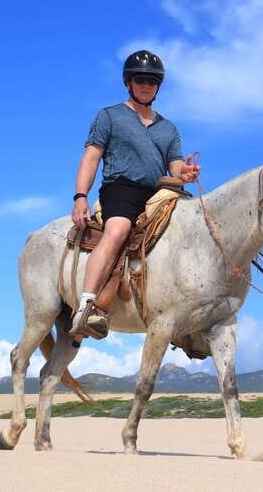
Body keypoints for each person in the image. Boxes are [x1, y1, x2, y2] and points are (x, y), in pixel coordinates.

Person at [69, 50, 201, 341]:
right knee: (118, 230)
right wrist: (81, 196)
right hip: (122, 187)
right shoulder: (110, 116)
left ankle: (190, 317)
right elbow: (91, 157)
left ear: (158, 86)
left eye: (152, 81)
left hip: (160, 193)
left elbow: (175, 165)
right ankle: (87, 306)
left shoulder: (169, 128)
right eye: (140, 79)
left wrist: (185, 173)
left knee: (191, 232)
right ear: (128, 82)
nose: (146, 85)